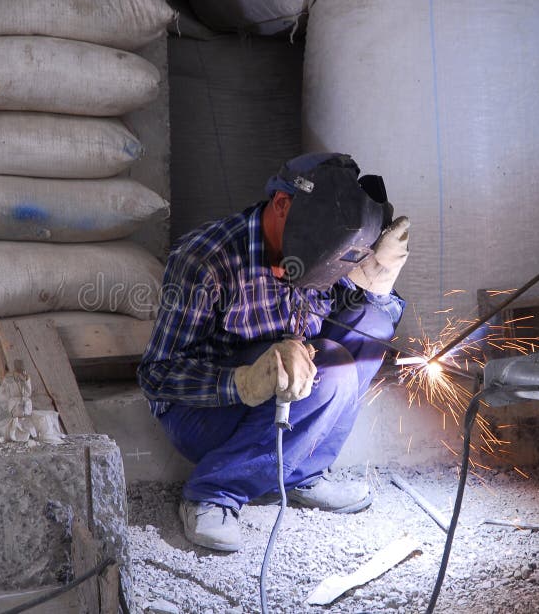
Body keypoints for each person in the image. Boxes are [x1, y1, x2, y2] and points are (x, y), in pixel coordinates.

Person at [137, 153, 408, 552]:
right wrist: (243, 381)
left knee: (373, 325)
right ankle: (213, 492)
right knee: (331, 371)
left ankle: (301, 472)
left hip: (288, 398)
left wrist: (378, 286)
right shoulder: (206, 259)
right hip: (209, 413)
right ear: (282, 204)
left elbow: (372, 319)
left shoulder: (327, 246)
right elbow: (157, 375)